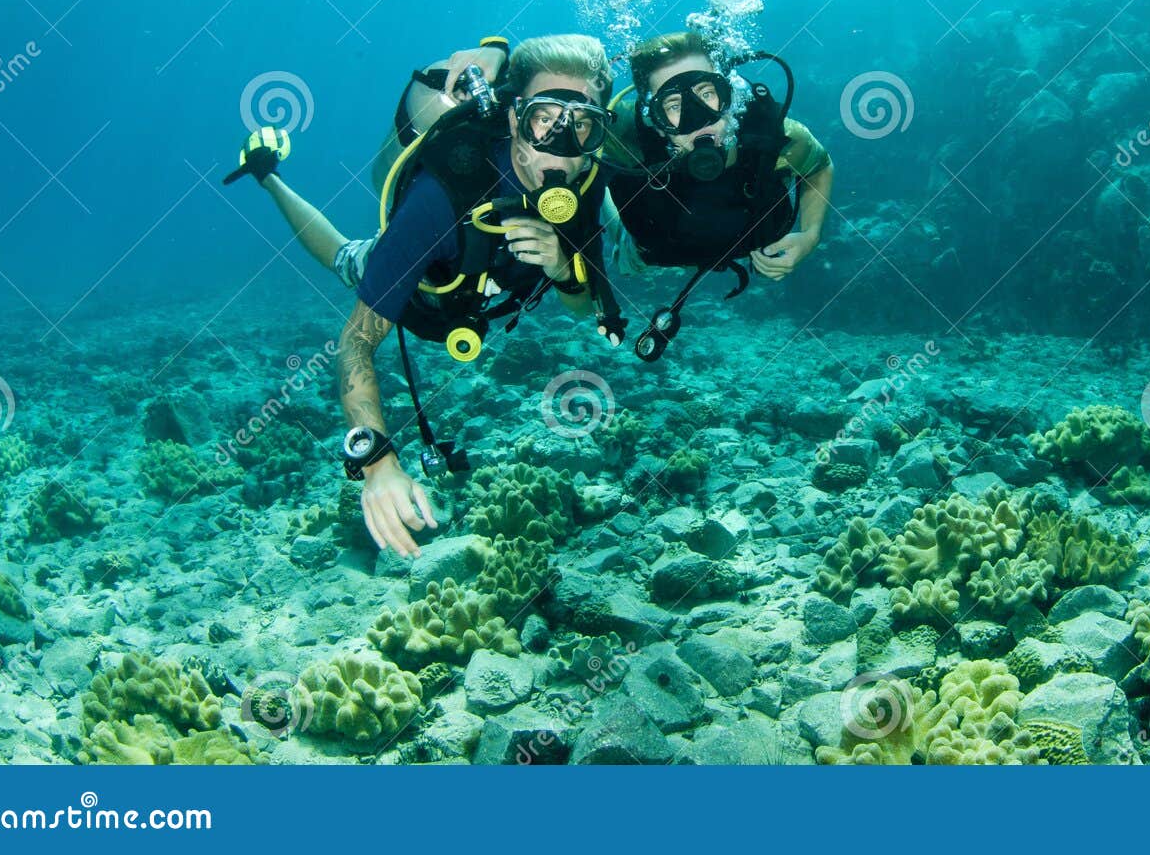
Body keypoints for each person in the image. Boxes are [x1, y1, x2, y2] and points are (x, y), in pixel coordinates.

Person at [226, 35, 623, 556]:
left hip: (486, 299)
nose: (560, 145)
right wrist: (377, 462)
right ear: (512, 117)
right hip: (428, 293)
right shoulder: (442, 193)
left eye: (582, 125)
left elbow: (579, 307)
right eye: (544, 118)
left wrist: (562, 268)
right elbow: (355, 345)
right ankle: (267, 176)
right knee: (349, 258)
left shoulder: (586, 189)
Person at [602, 30, 835, 359]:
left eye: (706, 92)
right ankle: (620, 230)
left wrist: (810, 236)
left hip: (744, 239)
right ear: (652, 118)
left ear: (730, 94)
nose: (697, 117)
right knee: (621, 233)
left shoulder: (775, 137)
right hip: (648, 249)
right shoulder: (621, 134)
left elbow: (819, 165)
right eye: (673, 104)